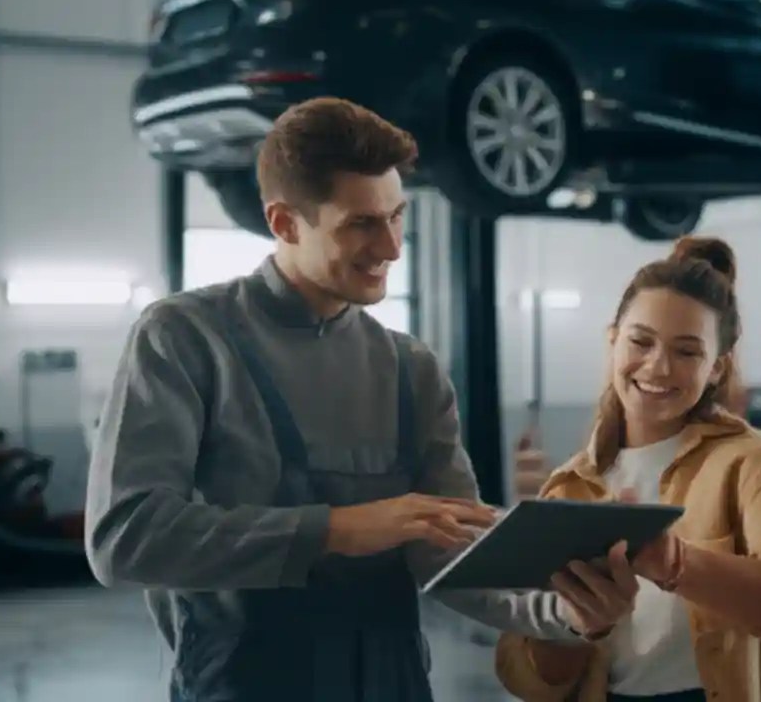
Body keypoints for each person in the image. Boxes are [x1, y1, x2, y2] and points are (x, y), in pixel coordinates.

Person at [84, 97, 591, 702]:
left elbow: (453, 556)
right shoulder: (186, 339)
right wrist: (335, 530)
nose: (393, 248)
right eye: (361, 224)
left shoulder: (413, 369)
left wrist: (570, 612)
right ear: (284, 222)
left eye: (397, 216)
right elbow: (125, 537)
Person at [494, 238, 761, 702]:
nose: (658, 367)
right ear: (612, 340)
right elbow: (524, 677)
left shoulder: (753, 463)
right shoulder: (570, 486)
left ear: (717, 369)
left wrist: (678, 565)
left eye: (687, 352)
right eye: (641, 341)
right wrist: (579, 624)